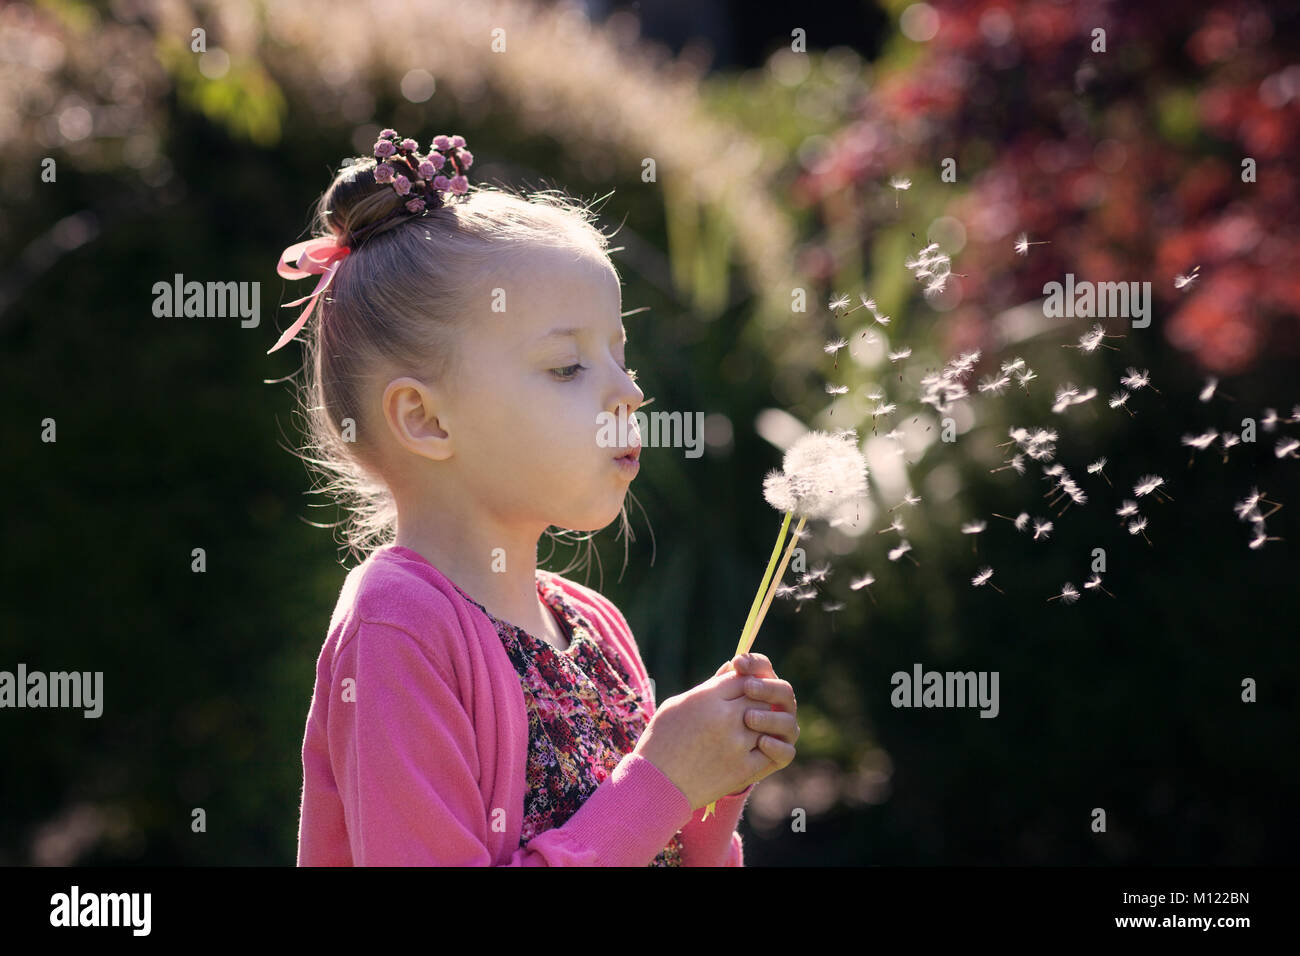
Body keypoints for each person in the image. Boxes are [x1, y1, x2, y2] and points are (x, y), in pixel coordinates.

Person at [281, 129, 799, 865]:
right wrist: (664, 779)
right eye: (567, 367)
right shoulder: (398, 630)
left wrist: (711, 787)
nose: (631, 391)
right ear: (425, 419)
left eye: (620, 354)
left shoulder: (594, 628)